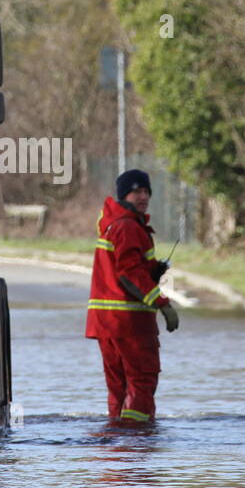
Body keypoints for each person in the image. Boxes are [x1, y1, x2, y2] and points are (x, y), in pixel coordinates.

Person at [85, 169, 179, 423]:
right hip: (130, 323)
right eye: (137, 191)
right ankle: (136, 444)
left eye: (147, 191)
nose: (143, 196)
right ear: (124, 194)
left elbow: (125, 271)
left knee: (119, 387)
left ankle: (116, 447)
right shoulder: (128, 226)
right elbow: (129, 274)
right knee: (142, 380)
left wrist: (152, 271)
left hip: (106, 324)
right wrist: (163, 304)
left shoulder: (114, 223)